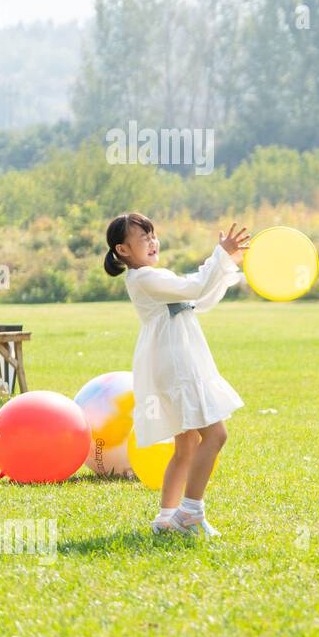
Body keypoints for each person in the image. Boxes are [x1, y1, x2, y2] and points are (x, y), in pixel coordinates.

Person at [104, 213, 250, 536]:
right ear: (123, 250)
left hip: (177, 362)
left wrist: (224, 264)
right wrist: (220, 255)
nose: (153, 242)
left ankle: (167, 518)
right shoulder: (143, 279)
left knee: (186, 447)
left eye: (153, 235)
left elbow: (200, 298)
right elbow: (195, 287)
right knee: (215, 435)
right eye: (144, 238)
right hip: (177, 366)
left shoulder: (155, 277)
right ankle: (190, 514)